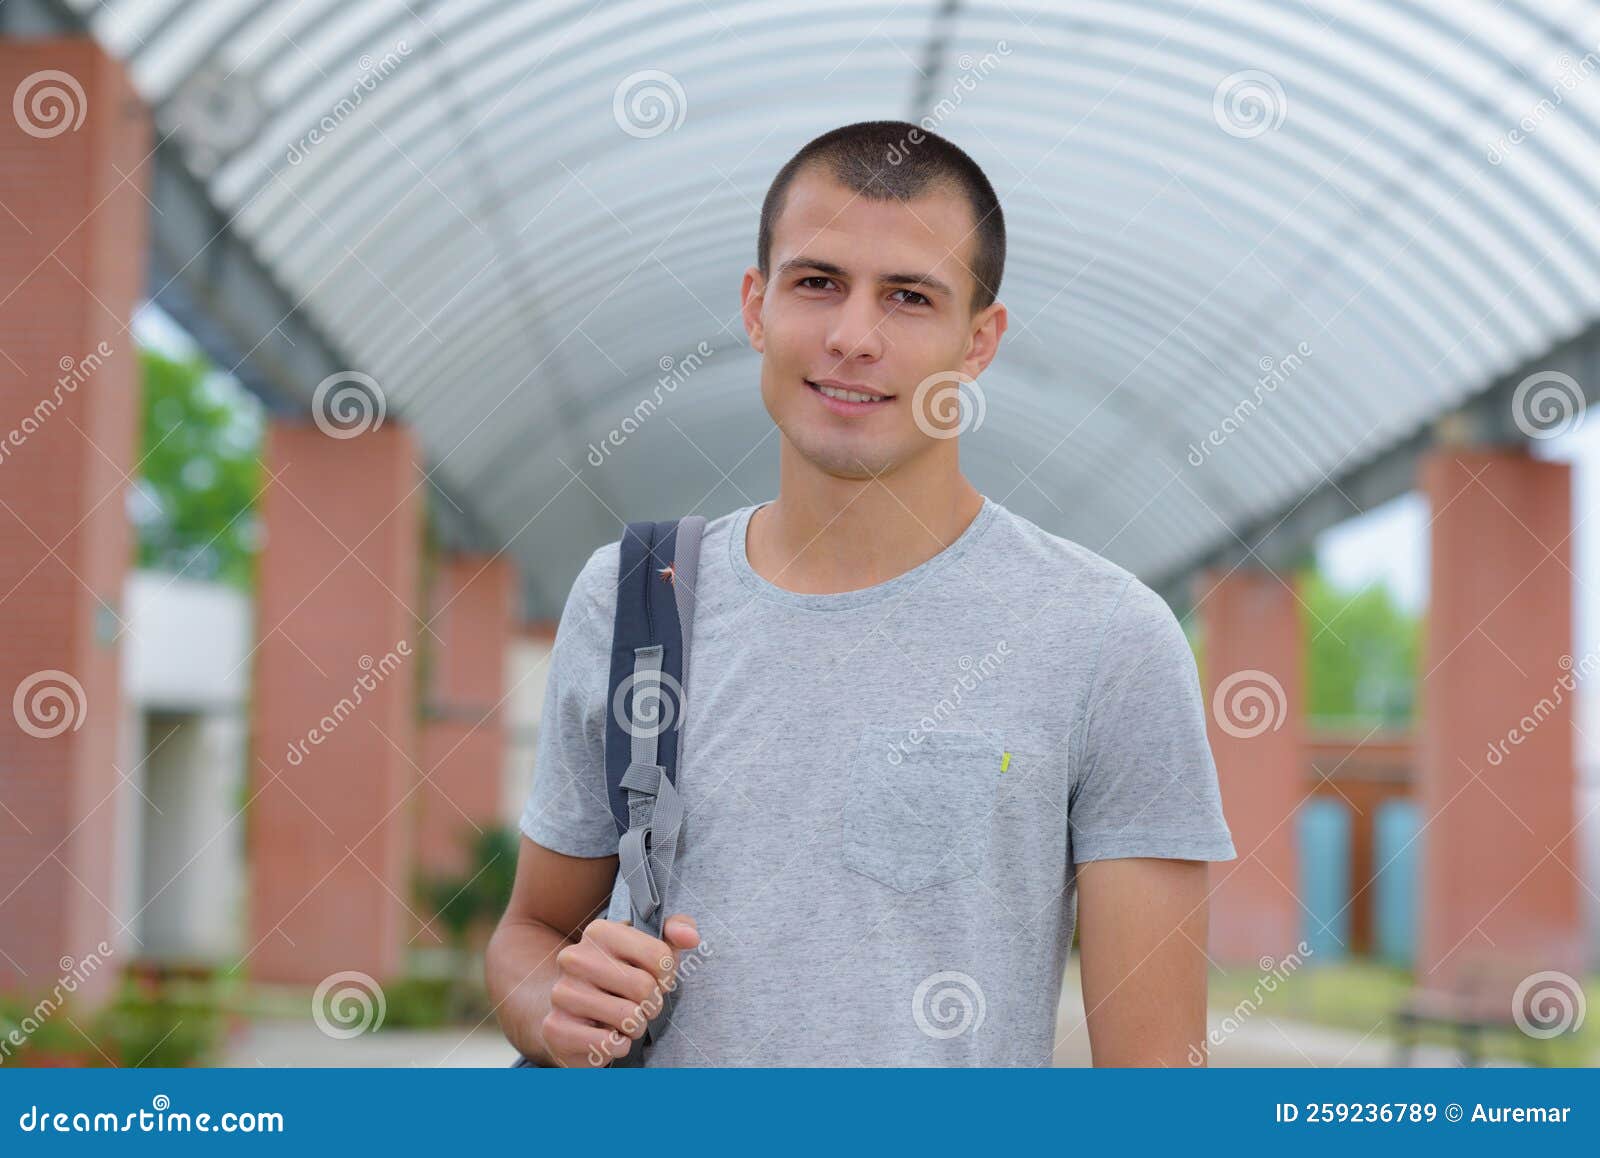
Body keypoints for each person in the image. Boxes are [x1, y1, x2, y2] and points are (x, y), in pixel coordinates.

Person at [485, 120, 1236, 1067]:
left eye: (910, 298)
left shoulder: (1103, 637)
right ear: (757, 307)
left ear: (980, 341)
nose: (851, 337)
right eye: (816, 283)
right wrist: (555, 1001)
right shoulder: (636, 599)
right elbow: (528, 935)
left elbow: (1156, 1084)